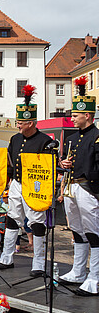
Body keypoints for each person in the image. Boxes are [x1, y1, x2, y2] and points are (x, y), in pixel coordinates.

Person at [0, 85, 52, 277]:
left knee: (37, 223)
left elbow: (47, 168)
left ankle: (38, 262)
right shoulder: (15, 139)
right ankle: (7, 256)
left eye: (21, 122)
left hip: (35, 186)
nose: (18, 125)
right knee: (12, 219)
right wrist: (10, 181)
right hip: (17, 184)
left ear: (31, 123)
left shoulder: (44, 140)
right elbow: (11, 161)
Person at [59, 77, 99, 295]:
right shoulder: (72, 137)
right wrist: (62, 163)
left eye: (76, 115)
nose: (72, 118)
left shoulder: (97, 136)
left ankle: (95, 277)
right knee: (77, 231)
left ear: (88, 116)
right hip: (71, 187)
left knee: (94, 233)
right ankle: (78, 271)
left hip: (88, 189)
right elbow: (66, 160)